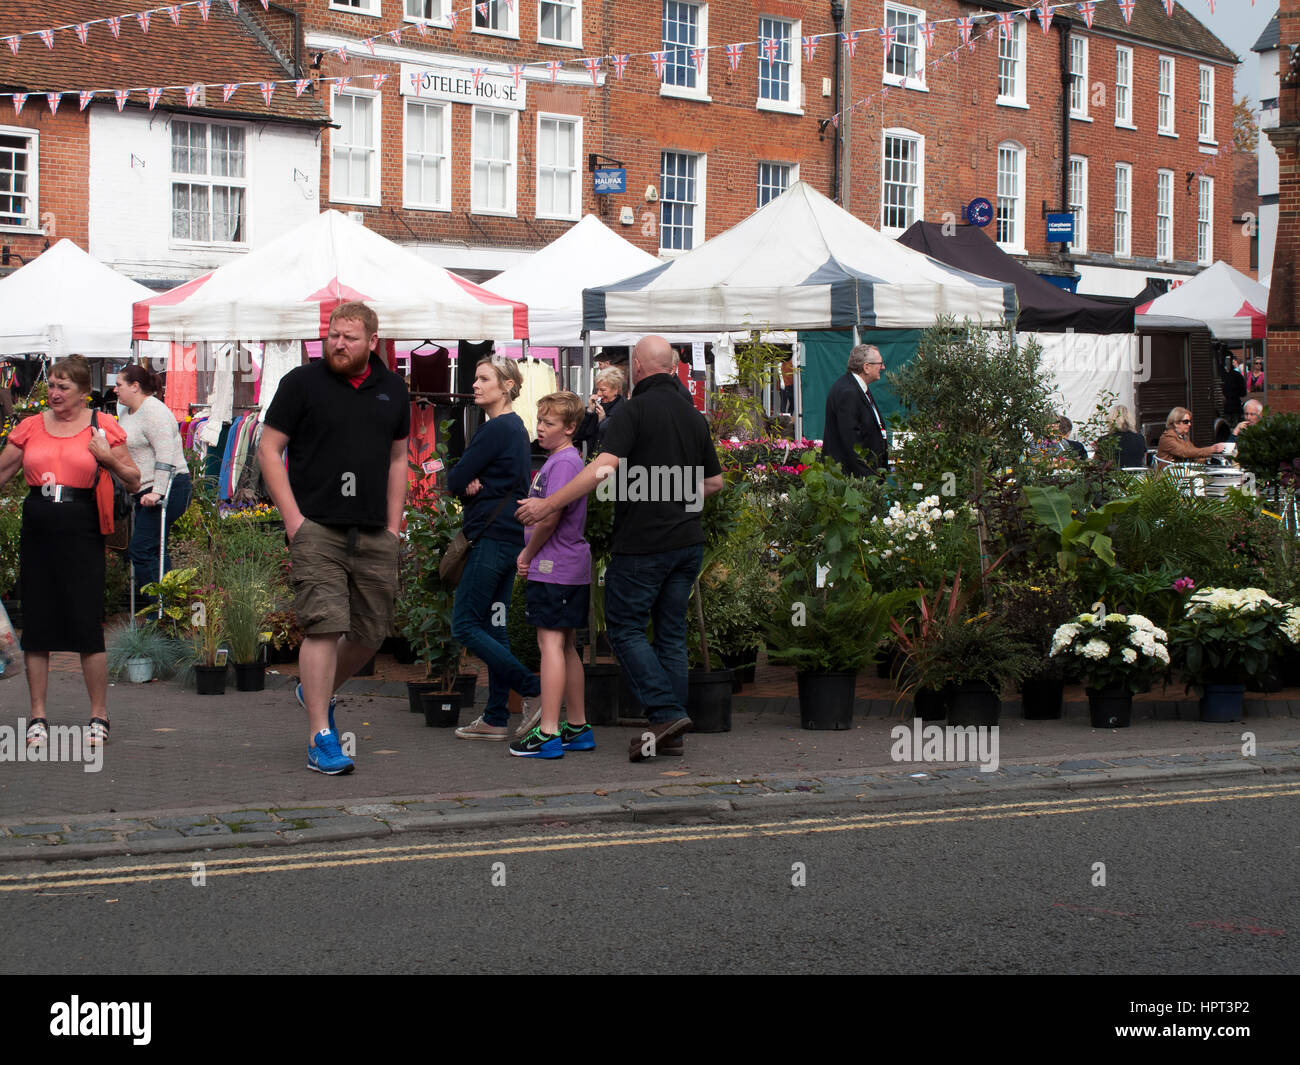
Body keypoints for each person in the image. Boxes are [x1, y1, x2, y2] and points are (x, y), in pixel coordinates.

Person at [516, 335, 723, 762]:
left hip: (644, 543)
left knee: (624, 627)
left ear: (640, 370)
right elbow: (714, 483)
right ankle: (673, 730)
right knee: (670, 636)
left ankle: (665, 713)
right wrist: (674, 496)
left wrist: (550, 503)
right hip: (688, 544)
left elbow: (604, 466)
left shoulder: (634, 410)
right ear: (671, 368)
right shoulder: (693, 415)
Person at [258, 302, 409, 775]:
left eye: (348, 337)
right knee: (323, 626)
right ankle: (320, 735)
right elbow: (268, 446)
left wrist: (393, 527)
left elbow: (399, 458)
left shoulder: (393, 389)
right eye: (331, 334)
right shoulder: (302, 383)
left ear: (371, 341)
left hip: (373, 533)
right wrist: (293, 521)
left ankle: (315, 690)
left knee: (371, 634)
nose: (337, 343)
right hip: (317, 528)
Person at [0, 355, 140, 751]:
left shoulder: (102, 426)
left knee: (85, 623)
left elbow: (132, 480)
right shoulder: (30, 426)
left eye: (64, 387)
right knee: (38, 625)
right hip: (38, 525)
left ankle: (99, 714)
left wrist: (106, 456)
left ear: (83, 394)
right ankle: (38, 716)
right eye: (52, 386)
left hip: (82, 526)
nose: (55, 393)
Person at [449, 355, 542, 741]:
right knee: (495, 627)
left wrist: (469, 486)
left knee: (465, 625)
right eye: (475, 377)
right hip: (509, 541)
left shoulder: (496, 429)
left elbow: (455, 478)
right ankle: (495, 717)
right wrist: (477, 487)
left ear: (506, 385)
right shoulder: (517, 429)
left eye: (483, 378)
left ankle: (533, 690)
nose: (475, 384)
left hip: (490, 542)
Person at [509, 391, 592, 759]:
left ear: (570, 427)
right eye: (539, 420)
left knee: (550, 646)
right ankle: (577, 725)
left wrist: (527, 553)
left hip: (553, 565)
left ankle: (548, 732)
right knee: (567, 645)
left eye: (549, 423)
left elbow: (550, 515)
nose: (540, 428)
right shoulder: (567, 461)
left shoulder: (562, 464)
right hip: (569, 567)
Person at [115, 364, 191, 606]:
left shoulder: (154, 411)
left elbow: (165, 453)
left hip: (170, 486)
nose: (115, 390)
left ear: (135, 387)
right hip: (143, 489)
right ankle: (165, 612)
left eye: (119, 385)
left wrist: (158, 491)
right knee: (156, 550)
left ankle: (155, 610)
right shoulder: (126, 411)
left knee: (141, 549)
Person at [822, 344, 887, 477]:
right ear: (866, 367)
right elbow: (851, 440)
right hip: (854, 477)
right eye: (880, 363)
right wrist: (868, 476)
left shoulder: (856, 388)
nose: (883, 367)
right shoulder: (848, 392)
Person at [572, 366, 625, 456]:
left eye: (603, 390)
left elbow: (613, 442)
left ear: (616, 389)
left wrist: (602, 422)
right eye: (597, 389)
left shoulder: (623, 410)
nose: (599, 394)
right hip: (590, 459)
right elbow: (578, 436)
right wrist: (589, 411)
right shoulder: (597, 406)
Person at [1156, 406, 1225, 465]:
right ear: (1176, 423)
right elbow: (1185, 452)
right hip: (1170, 476)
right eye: (1186, 422)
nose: (1189, 424)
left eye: (1189, 421)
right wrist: (1211, 449)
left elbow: (1193, 452)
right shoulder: (1167, 438)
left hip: (1183, 471)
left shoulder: (1183, 436)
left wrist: (1206, 458)